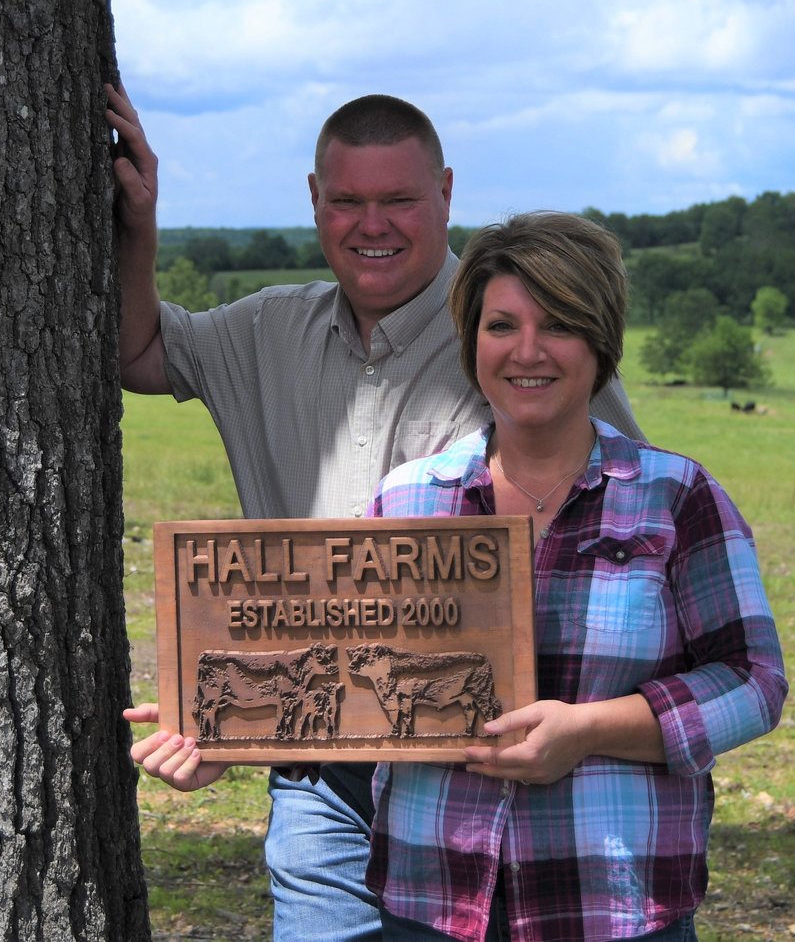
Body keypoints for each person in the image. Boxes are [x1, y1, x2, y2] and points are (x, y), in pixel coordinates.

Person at [104, 86, 646, 942]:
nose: (373, 225)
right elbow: (136, 351)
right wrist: (139, 226)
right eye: (348, 200)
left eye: (399, 199)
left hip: (477, 777)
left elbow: (611, 529)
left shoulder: (517, 340)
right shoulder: (263, 332)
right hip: (323, 783)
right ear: (314, 201)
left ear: (446, 194)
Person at [365, 212, 787, 942]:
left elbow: (754, 681)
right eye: (501, 326)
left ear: (601, 342)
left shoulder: (676, 497)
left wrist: (588, 730)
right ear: (471, 343)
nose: (527, 351)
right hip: (432, 903)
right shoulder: (407, 499)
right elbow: (348, 677)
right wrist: (219, 739)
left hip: (612, 906)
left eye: (557, 323)